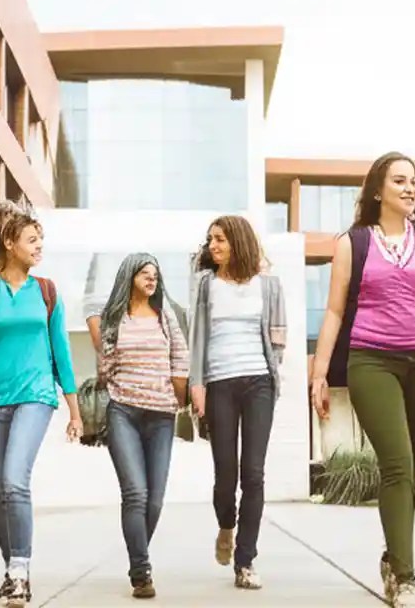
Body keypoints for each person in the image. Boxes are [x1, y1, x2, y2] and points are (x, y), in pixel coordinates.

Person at [309, 152, 415, 608]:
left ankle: (393, 556)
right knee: (397, 465)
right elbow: (334, 311)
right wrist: (319, 374)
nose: (410, 188)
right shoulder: (353, 243)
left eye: (414, 181)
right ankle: (406, 578)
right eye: (399, 180)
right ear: (378, 190)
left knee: (409, 469)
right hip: (372, 361)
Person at [0, 201, 82, 608]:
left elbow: (61, 350)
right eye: (32, 239)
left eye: (41, 239)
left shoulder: (46, 292)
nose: (39, 246)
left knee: (13, 480)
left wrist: (74, 408)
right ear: (10, 243)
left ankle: (20, 572)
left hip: (35, 395)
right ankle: (12, 569)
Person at [187, 215, 286, 591]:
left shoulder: (269, 285)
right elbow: (196, 335)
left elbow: (278, 338)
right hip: (219, 383)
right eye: (211, 239)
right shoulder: (205, 283)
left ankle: (245, 560)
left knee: (254, 473)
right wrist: (197, 383)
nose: (213, 245)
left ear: (238, 242)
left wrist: (271, 372)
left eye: (221, 239)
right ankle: (226, 525)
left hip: (259, 382)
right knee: (225, 474)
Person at [94, 253, 190, 599]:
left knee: (155, 500)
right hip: (124, 413)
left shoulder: (166, 315)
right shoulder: (114, 317)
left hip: (161, 416)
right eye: (144, 273)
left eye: (155, 275)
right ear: (129, 277)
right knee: (135, 493)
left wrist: (178, 399)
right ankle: (141, 570)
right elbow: (105, 367)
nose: (152, 279)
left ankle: (137, 551)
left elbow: (180, 357)